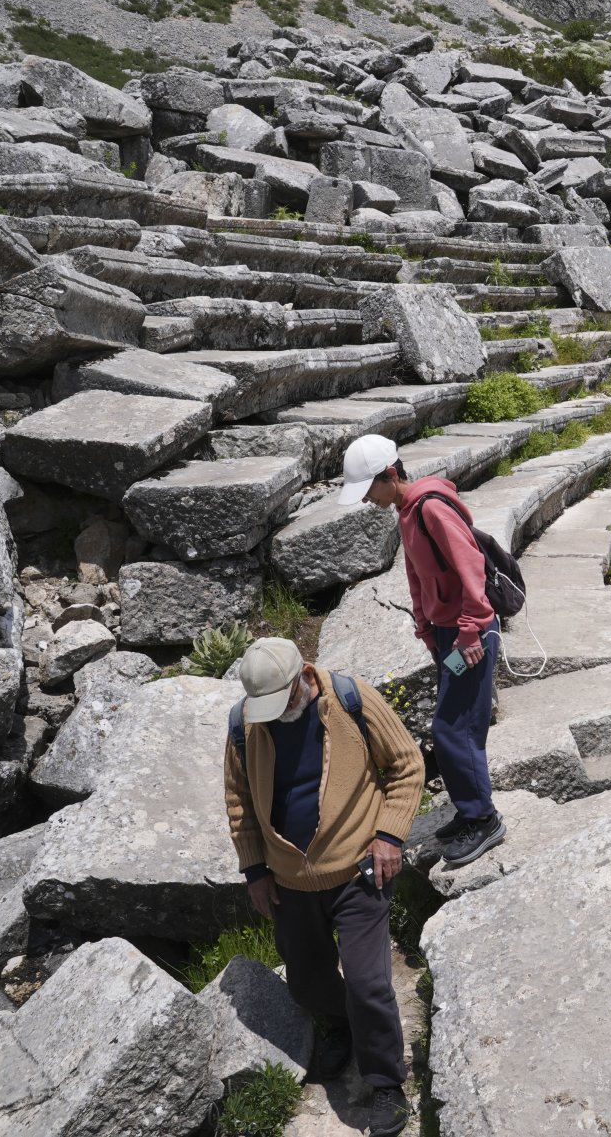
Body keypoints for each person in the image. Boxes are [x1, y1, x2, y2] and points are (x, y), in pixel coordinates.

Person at [222, 637, 422, 1137]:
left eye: (281, 701)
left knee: (367, 981)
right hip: (289, 884)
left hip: (360, 870)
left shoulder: (353, 699)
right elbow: (240, 801)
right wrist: (256, 873)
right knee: (307, 977)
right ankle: (339, 1026)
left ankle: (386, 1083)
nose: (271, 715)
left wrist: (390, 835)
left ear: (304, 677)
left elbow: (406, 766)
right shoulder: (243, 725)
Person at [338, 434, 506, 868]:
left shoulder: (430, 508)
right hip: (448, 635)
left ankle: (483, 818)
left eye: (368, 490)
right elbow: (416, 574)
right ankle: (469, 808)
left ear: (391, 475)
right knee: (453, 723)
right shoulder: (407, 512)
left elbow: (470, 569)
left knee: (454, 728)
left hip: (471, 634)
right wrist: (425, 625)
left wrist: (469, 631)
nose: (365, 501)